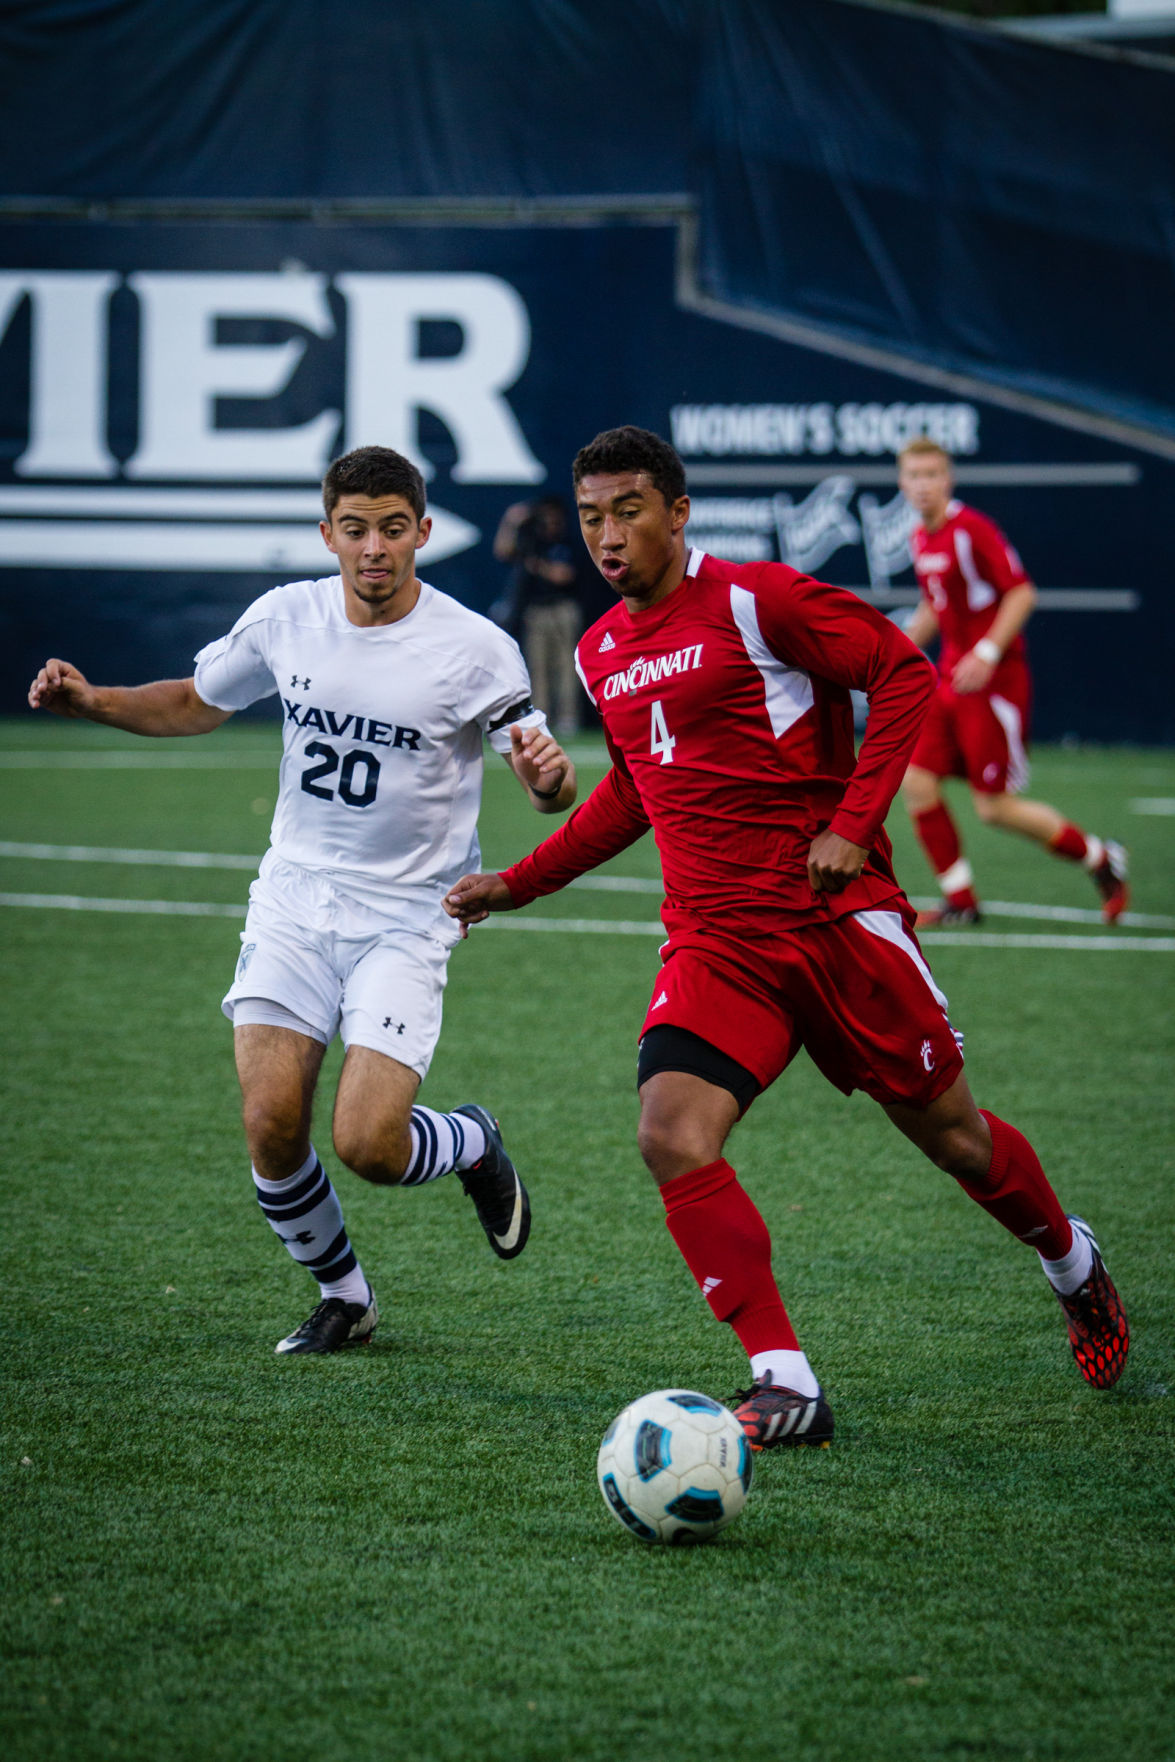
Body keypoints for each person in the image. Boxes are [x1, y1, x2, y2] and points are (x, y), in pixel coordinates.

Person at [444, 425, 1129, 1451]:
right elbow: (635, 790)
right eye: (591, 515)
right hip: (717, 945)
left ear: (676, 513)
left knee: (954, 1138)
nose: (607, 534)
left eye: (627, 508)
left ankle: (1071, 1264)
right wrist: (517, 883)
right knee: (668, 1132)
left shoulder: (757, 600)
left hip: (837, 927)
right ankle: (782, 1378)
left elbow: (902, 673)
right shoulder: (599, 652)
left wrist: (852, 825)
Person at [28, 445, 577, 1356]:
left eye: (393, 529)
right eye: (355, 529)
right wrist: (92, 701)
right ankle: (345, 1297)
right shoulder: (287, 617)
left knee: (368, 1143)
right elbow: (194, 702)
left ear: (423, 534)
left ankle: (472, 1142)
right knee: (271, 1126)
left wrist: (548, 781)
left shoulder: (475, 648)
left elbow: (542, 776)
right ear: (328, 534)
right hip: (294, 900)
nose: (373, 549)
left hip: (407, 917)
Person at [897, 437, 1129, 927]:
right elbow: (934, 607)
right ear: (902, 482)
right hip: (951, 682)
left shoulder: (971, 529)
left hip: (992, 683)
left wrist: (986, 652)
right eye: (913, 476)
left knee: (994, 807)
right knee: (915, 781)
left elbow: (1021, 593)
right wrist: (889, 652)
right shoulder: (920, 537)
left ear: (948, 479)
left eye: (931, 475)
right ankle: (961, 901)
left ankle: (1101, 858)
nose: (922, 485)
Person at [493, 495, 583, 733]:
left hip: (562, 609)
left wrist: (538, 566)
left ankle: (567, 720)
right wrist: (511, 522)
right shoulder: (533, 541)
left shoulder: (569, 541)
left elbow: (564, 575)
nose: (550, 521)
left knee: (566, 666)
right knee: (538, 668)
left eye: (554, 516)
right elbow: (503, 552)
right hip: (537, 611)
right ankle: (542, 717)